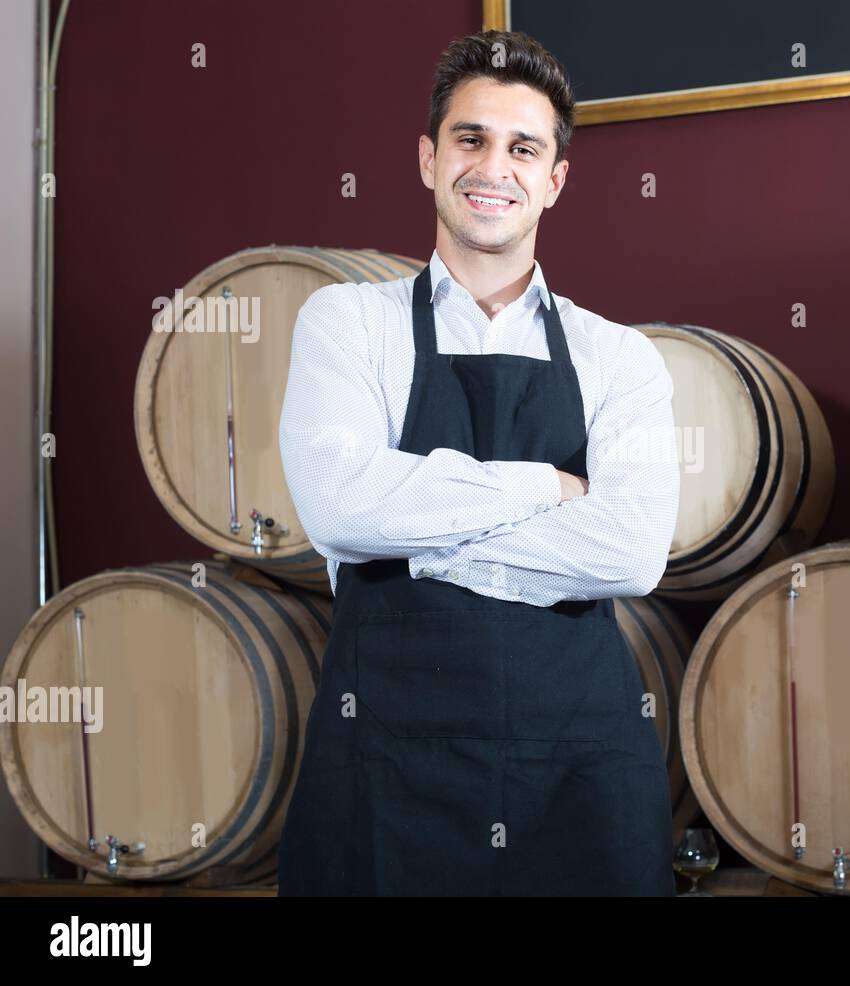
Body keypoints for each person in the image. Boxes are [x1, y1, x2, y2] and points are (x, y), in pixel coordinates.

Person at [275, 30, 679, 896]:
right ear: (428, 158)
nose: (493, 166)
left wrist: (413, 544)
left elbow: (631, 552)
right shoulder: (347, 323)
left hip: (578, 767)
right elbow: (341, 508)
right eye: (470, 138)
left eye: (523, 148)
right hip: (383, 759)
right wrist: (544, 489)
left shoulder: (619, 356)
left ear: (554, 180)